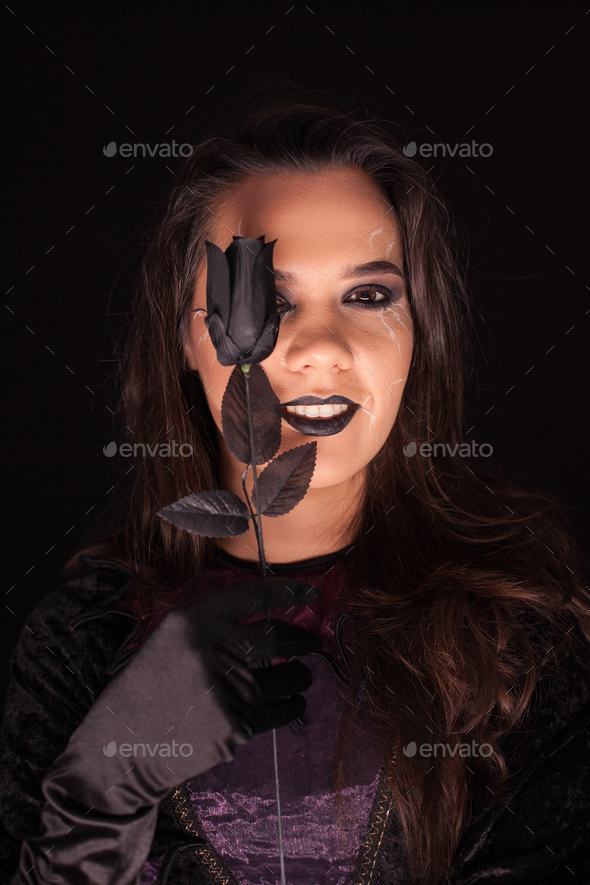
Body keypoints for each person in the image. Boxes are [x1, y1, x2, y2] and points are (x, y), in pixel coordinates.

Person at [2, 92, 590, 885]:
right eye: (268, 301)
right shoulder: (82, 636)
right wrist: (103, 785)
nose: (320, 347)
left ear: (419, 334)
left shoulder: (518, 641)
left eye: (369, 295)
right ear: (187, 335)